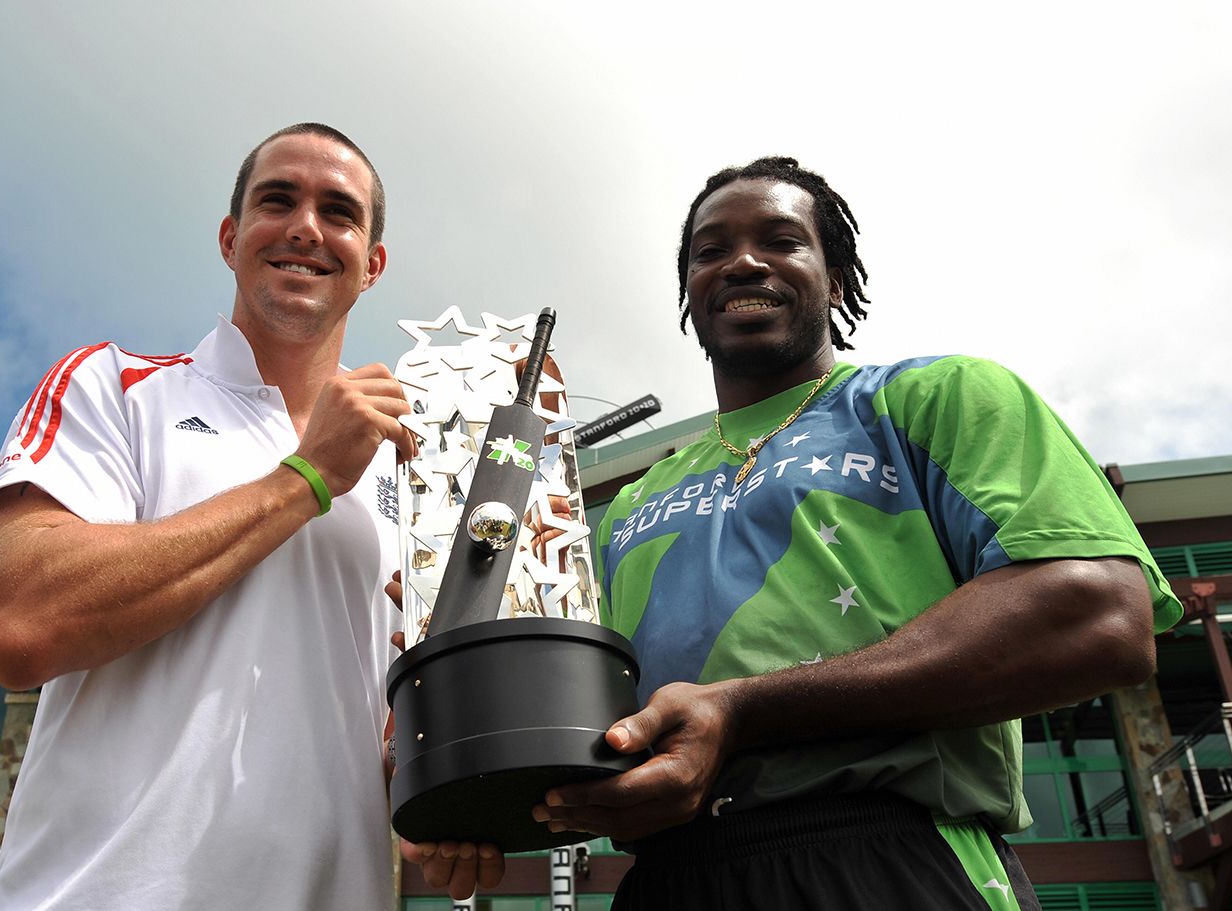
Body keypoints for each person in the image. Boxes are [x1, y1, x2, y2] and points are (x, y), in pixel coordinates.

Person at [413, 157, 1183, 908]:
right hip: (666, 876)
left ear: (835, 278)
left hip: (888, 853)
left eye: (780, 241)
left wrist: (745, 708)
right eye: (710, 251)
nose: (742, 261)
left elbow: (1102, 616)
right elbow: (591, 721)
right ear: (691, 293)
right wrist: (470, 784)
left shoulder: (935, 397)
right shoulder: (624, 507)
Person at [0, 123, 421, 909]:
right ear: (230, 236)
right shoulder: (114, 386)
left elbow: (391, 726)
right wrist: (305, 476)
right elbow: (15, 619)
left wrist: (438, 801)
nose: (305, 226)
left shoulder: (415, 466)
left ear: (372, 263)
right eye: (276, 200)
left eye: (338, 211)